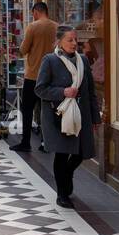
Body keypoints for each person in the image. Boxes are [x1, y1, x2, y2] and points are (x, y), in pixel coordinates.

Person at [35, 28, 102, 208]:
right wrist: (63, 92)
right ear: (59, 42)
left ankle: (67, 174)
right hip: (59, 116)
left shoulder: (83, 61)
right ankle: (62, 193)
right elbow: (40, 89)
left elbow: (90, 92)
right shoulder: (50, 61)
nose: (74, 43)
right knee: (62, 153)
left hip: (81, 115)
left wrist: (96, 118)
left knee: (81, 152)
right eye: (70, 40)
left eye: (75, 40)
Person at [13, 2, 58, 152]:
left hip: (33, 75)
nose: (33, 16)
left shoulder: (33, 27)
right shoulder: (56, 27)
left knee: (27, 110)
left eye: (33, 14)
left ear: (36, 12)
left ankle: (25, 142)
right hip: (51, 76)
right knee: (47, 111)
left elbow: (23, 50)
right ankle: (47, 142)